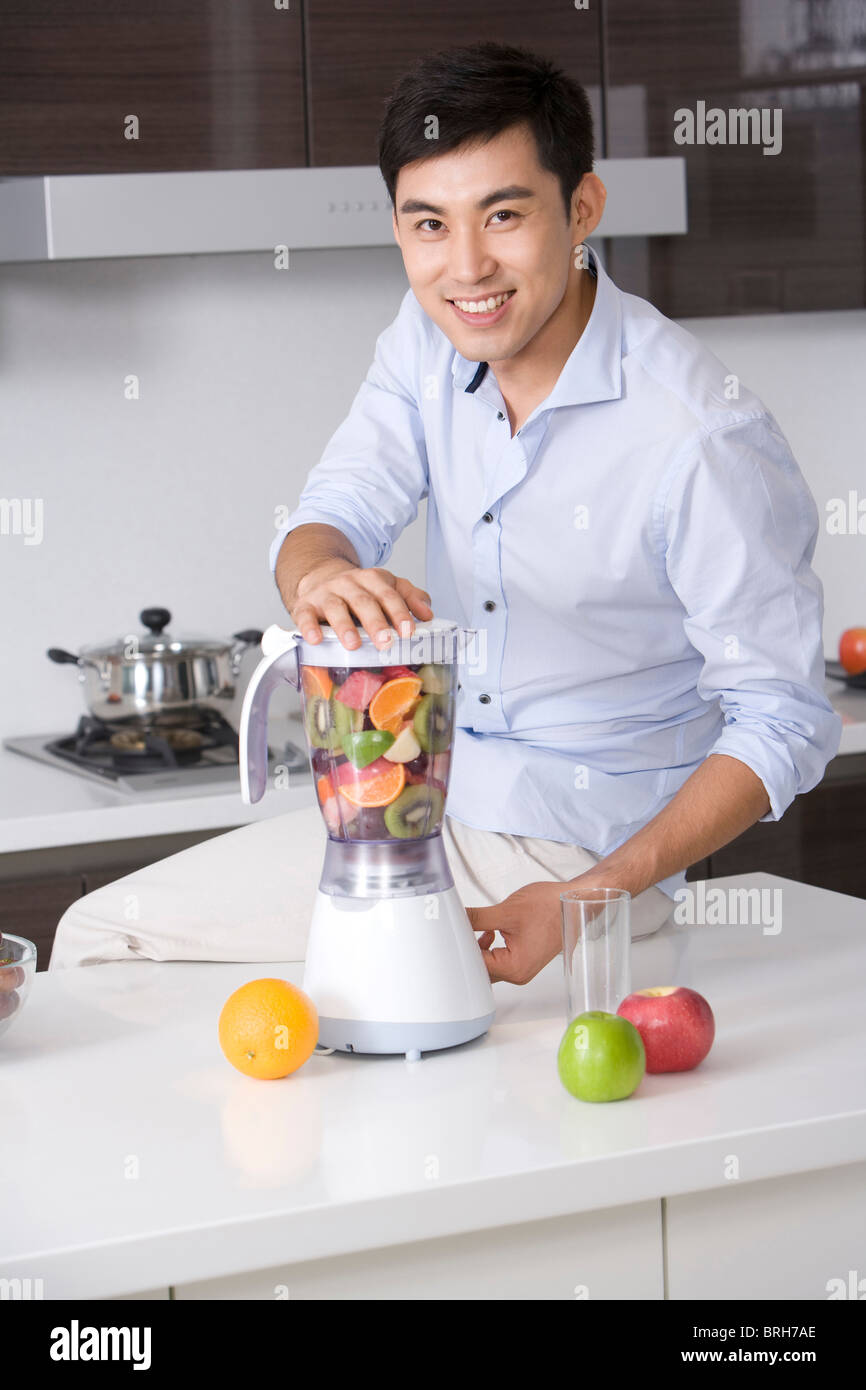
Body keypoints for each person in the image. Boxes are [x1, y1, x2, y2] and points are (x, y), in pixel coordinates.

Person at [51, 42, 841, 982]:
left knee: (107, 938)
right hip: (426, 809)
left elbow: (784, 719)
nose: (467, 267)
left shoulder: (701, 433)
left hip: (568, 857)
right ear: (397, 226)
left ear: (582, 207)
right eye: (430, 223)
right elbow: (336, 507)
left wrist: (589, 899)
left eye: (504, 215)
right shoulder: (428, 343)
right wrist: (321, 574)